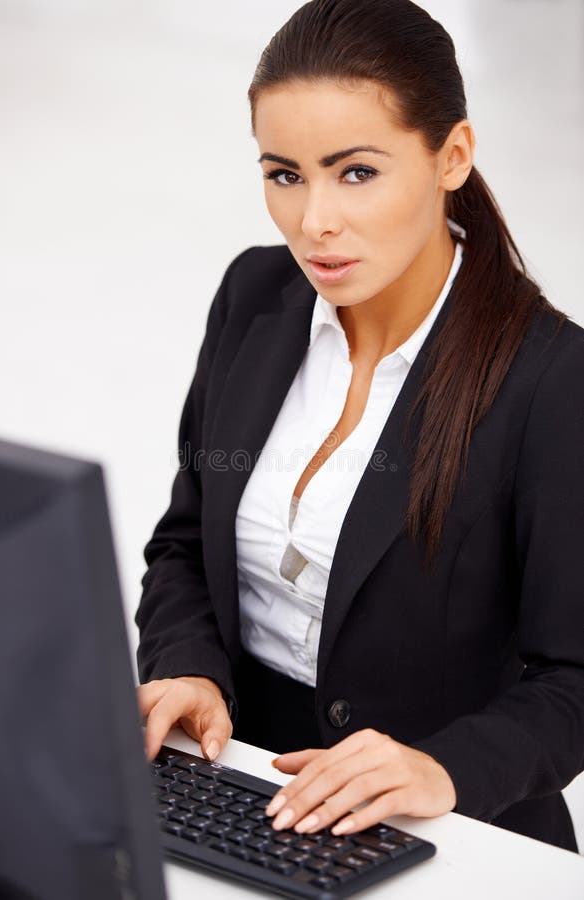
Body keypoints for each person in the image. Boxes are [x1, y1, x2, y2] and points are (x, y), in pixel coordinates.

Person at [135, 0, 584, 853]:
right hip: (238, 791)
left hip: (445, 836)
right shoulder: (253, 298)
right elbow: (185, 545)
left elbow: (574, 677)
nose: (314, 223)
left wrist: (442, 769)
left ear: (451, 156)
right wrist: (185, 666)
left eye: (355, 172)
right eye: (283, 174)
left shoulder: (553, 381)